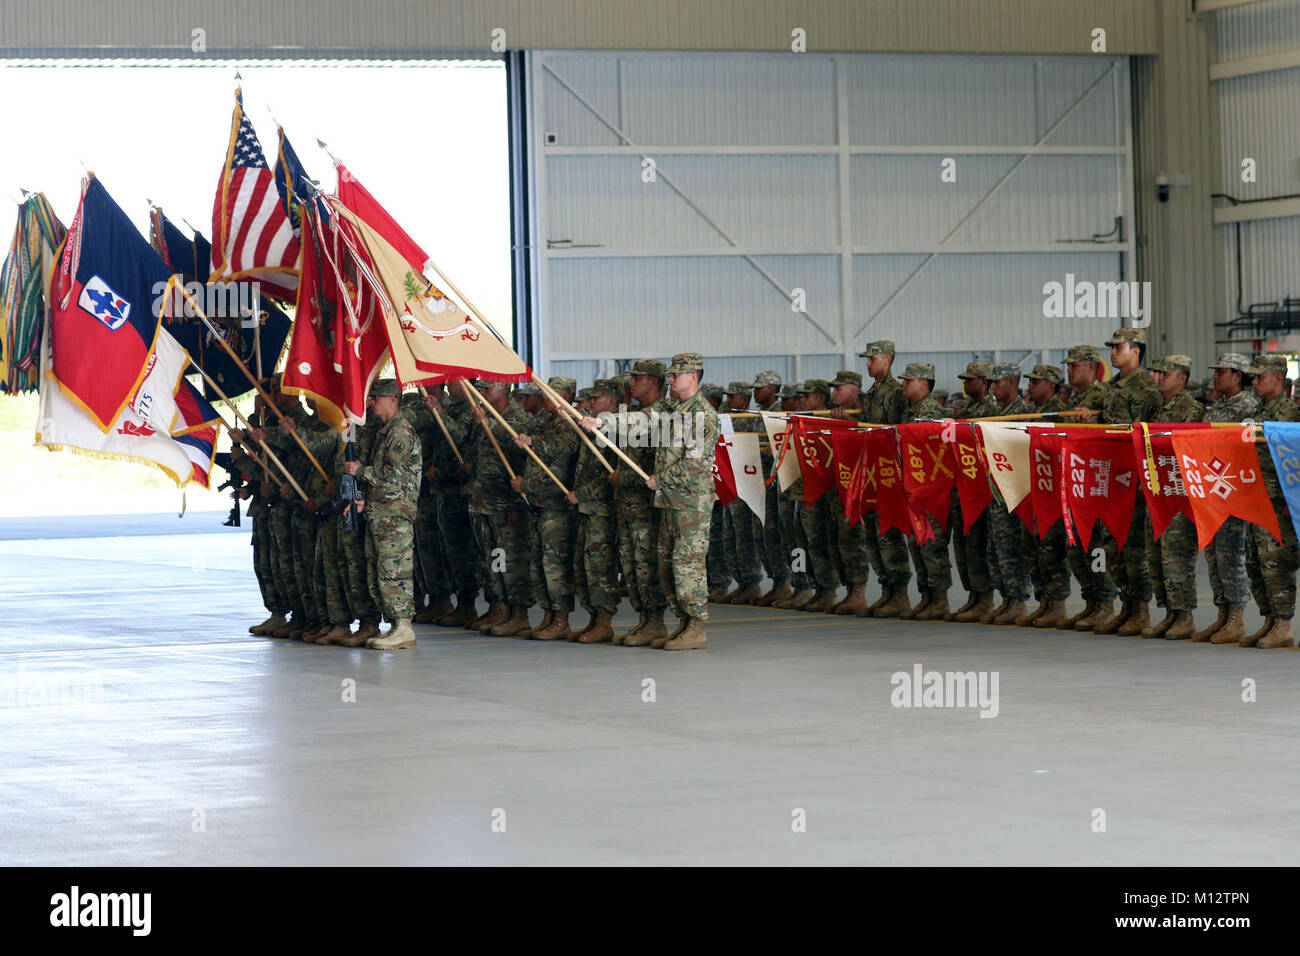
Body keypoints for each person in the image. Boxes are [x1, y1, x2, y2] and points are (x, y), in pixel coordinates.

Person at [343, 378, 423, 650]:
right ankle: (394, 626)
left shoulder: (399, 431)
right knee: (378, 570)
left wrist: (360, 470)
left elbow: (394, 475)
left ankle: (404, 627)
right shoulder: (385, 431)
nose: (371, 402)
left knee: (394, 571)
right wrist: (368, 500)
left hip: (395, 516)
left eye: (375, 397)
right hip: (381, 512)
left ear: (392, 398)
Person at [1094, 328, 1162, 637]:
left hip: (1132, 479)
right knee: (1113, 545)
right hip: (1111, 476)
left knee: (1133, 548)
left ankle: (1141, 610)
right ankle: (1126, 606)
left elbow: (1147, 435)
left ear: (1136, 350)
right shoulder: (1114, 386)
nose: (1112, 352)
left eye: (1118, 347)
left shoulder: (1146, 388)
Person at [650, 353, 720, 650]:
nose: (670, 379)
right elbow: (641, 419)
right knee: (667, 562)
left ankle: (696, 627)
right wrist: (599, 422)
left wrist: (661, 479)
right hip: (671, 500)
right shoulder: (673, 409)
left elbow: (695, 462)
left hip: (692, 503)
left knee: (687, 563)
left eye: (675, 375)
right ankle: (682, 623)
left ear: (693, 376)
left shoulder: (703, 415)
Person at [1194, 354, 1260, 644]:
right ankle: (1222, 613)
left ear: (1237, 376)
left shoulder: (1246, 406)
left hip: (1231, 490)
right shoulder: (1219, 404)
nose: (1215, 376)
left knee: (1230, 554)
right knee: (1214, 554)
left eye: (1221, 372)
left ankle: (1236, 618)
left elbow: (1241, 446)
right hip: (1212, 489)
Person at [1142, 355, 1205, 641]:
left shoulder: (1192, 409)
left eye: (1164, 373)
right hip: (1157, 491)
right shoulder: (1157, 407)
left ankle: (1185, 615)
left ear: (1182, 378)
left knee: (1176, 555)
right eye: (1156, 372)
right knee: (1156, 556)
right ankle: (1169, 611)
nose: (1158, 377)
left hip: (1178, 492)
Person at [1243, 353, 1300, 648]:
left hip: (1280, 501)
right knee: (1255, 561)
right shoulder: (1259, 411)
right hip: (1257, 498)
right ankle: (1269, 619)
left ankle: (1283, 624)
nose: (1253, 382)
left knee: (1275, 561)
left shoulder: (1289, 414)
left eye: (1259, 377)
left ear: (1277, 378)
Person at [1060, 345, 1118, 631]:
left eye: (1075, 365)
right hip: (1075, 480)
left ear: (1092, 368)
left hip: (1095, 481)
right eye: (1068, 365)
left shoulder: (1104, 395)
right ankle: (1091, 601)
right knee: (1077, 547)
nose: (1070, 370)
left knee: (1095, 545)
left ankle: (1105, 602)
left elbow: (1112, 433)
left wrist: (1094, 422)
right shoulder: (1075, 397)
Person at [856, 341, 912, 617]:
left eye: (872, 358)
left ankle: (900, 593)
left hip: (889, 472)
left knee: (889, 533)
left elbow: (897, 433)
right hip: (872, 473)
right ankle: (887, 589)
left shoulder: (894, 392)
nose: (868, 363)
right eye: (866, 359)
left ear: (888, 359)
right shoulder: (874, 392)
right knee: (874, 534)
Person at [1018, 364, 1071, 627]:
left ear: (1051, 385)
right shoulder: (1036, 413)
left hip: (1053, 493)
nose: (1030, 386)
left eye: (1035, 382)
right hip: (1035, 491)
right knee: (1034, 550)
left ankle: (1057, 604)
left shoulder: (1062, 413)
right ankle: (1044, 602)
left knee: (1052, 550)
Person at [898, 363, 952, 620]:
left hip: (931, 488)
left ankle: (939, 598)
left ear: (924, 382)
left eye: (909, 380)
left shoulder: (930, 410)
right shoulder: (913, 410)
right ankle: (927, 595)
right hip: (914, 486)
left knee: (931, 542)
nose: (904, 384)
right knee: (917, 541)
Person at [569, 380, 622, 643]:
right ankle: (593, 618)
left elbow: (611, 474)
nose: (589, 404)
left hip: (601, 509)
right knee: (585, 566)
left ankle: (604, 620)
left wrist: (583, 494)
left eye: (596, 399)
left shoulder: (617, 430)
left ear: (612, 401)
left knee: (600, 567)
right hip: (587, 509)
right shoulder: (592, 428)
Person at [983, 362, 1032, 624]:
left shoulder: (1022, 413)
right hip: (997, 490)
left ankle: (1019, 599)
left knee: (1011, 546)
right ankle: (1007, 598)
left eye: (998, 382)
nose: (993, 388)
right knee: (997, 547)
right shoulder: (996, 412)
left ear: (1012, 382)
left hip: (1015, 491)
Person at [951, 361, 998, 622]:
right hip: (965, 486)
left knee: (979, 544)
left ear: (983, 382)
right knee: (965, 545)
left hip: (981, 488)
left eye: (970, 379)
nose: (966, 384)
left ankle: (985, 597)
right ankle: (974, 595)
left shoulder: (991, 410)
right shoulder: (968, 410)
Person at [747, 370, 795, 606]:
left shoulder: (780, 414)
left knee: (784, 536)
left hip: (779, 484)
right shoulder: (762, 413)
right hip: (762, 484)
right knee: (766, 536)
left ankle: (795, 583)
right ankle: (779, 581)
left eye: (760, 387)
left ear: (773, 389)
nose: (755, 391)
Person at [720, 381, 765, 604]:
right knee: (732, 536)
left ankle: (752, 582)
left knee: (746, 535)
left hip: (747, 485)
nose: (729, 400)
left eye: (733, 396)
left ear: (745, 399)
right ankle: (743, 582)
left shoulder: (751, 419)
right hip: (731, 485)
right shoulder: (726, 418)